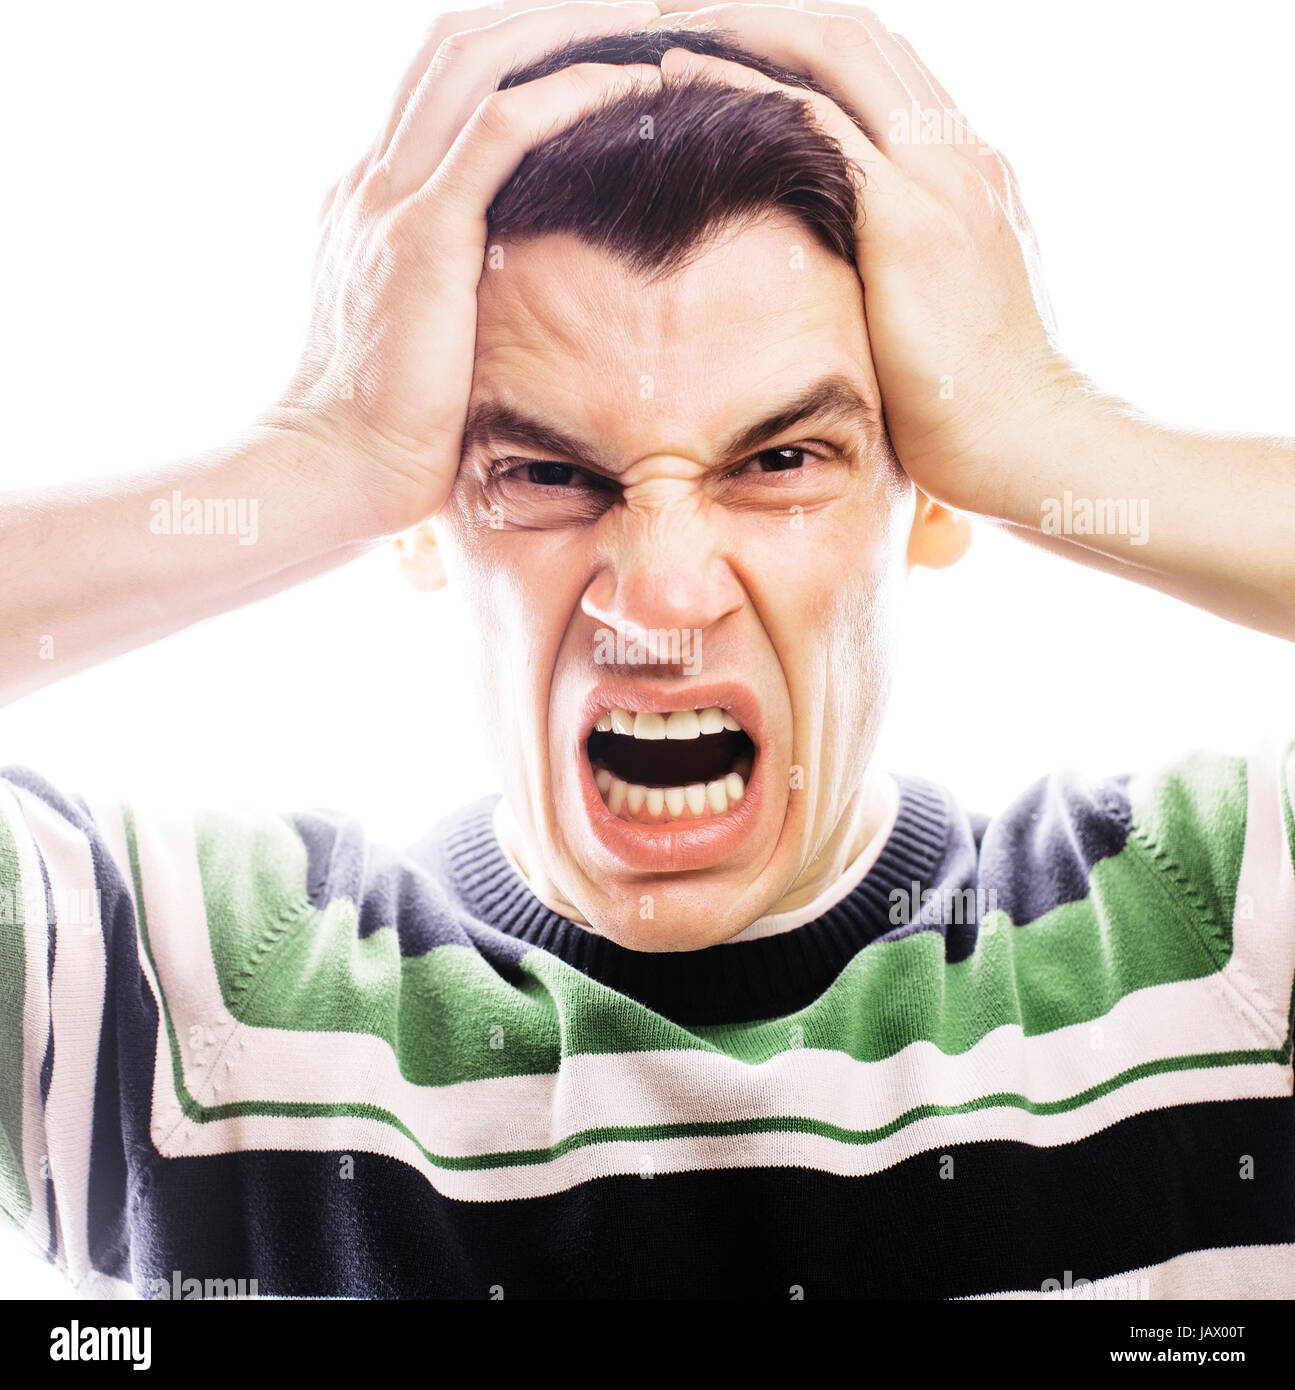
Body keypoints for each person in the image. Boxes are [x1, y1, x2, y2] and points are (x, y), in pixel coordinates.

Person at [1, 2, 1292, 1300]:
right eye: (549, 469)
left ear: (938, 491)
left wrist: (1050, 429)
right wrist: (319, 461)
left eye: (783, 458)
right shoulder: (193, 1008)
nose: (660, 600)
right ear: (420, 517)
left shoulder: (1219, 941)